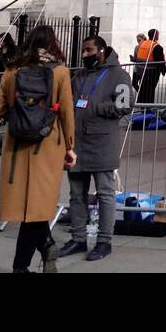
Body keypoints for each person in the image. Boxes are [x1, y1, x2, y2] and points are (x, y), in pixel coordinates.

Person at [0, 25, 75, 273]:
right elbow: (66, 112)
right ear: (53, 44)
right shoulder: (60, 72)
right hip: (48, 143)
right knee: (37, 209)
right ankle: (40, 250)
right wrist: (70, 146)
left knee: (28, 209)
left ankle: (29, 260)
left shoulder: (12, 70)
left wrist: (19, 115)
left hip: (18, 143)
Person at [58, 35, 133, 262]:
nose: (84, 55)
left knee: (105, 194)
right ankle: (78, 238)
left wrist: (94, 107)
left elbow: (125, 104)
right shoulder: (80, 75)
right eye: (83, 51)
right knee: (76, 195)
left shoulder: (118, 75)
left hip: (102, 143)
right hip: (78, 142)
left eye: (89, 50)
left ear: (101, 51)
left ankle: (104, 241)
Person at [135, 28, 166, 105]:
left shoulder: (143, 44)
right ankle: (148, 108)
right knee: (150, 91)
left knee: (143, 90)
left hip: (141, 71)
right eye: (158, 34)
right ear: (155, 35)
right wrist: (163, 70)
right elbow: (160, 61)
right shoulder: (156, 46)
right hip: (152, 72)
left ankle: (142, 106)